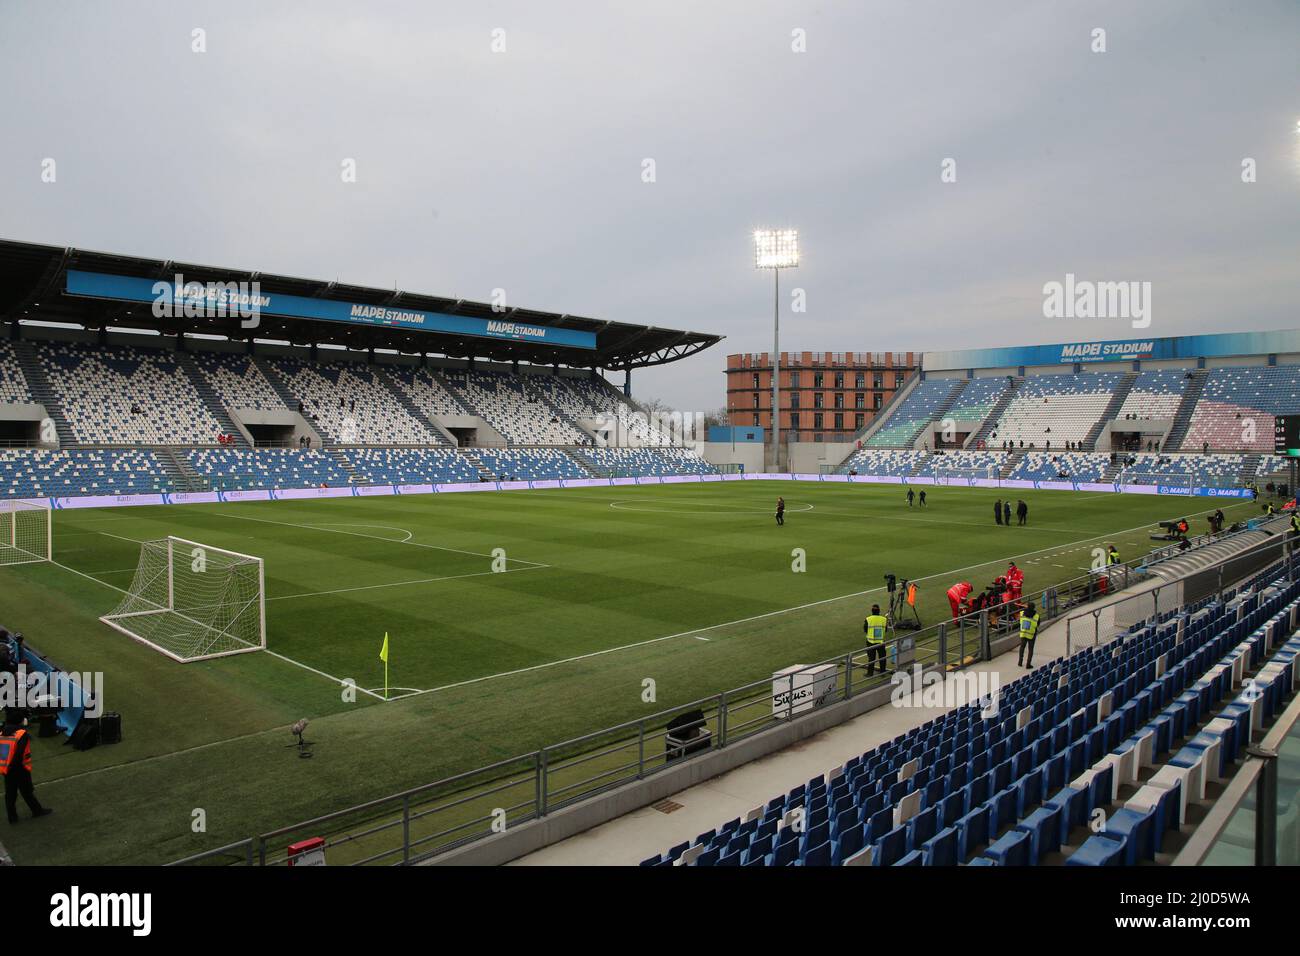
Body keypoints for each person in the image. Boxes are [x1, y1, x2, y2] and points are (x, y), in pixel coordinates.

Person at [1, 711, 51, 824]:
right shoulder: (21, 734)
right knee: (26, 791)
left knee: (10, 793)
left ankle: (12, 817)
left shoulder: (2, 732)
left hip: (6, 768)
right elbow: (19, 754)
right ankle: (37, 811)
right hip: (19, 768)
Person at [863, 604, 889, 676]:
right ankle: (883, 672)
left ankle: (870, 673)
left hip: (870, 642)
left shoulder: (868, 619)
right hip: (881, 642)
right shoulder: (884, 619)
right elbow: (886, 630)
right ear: (879, 611)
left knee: (871, 658)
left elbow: (865, 629)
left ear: (872, 611)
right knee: (882, 657)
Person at [1017, 602, 1040, 669]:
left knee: (1022, 647)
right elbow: (1037, 624)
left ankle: (1020, 662)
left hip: (1023, 632)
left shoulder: (1022, 613)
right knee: (1030, 649)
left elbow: (1020, 621)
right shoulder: (1036, 615)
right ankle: (1028, 664)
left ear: (1027, 606)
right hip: (1031, 634)